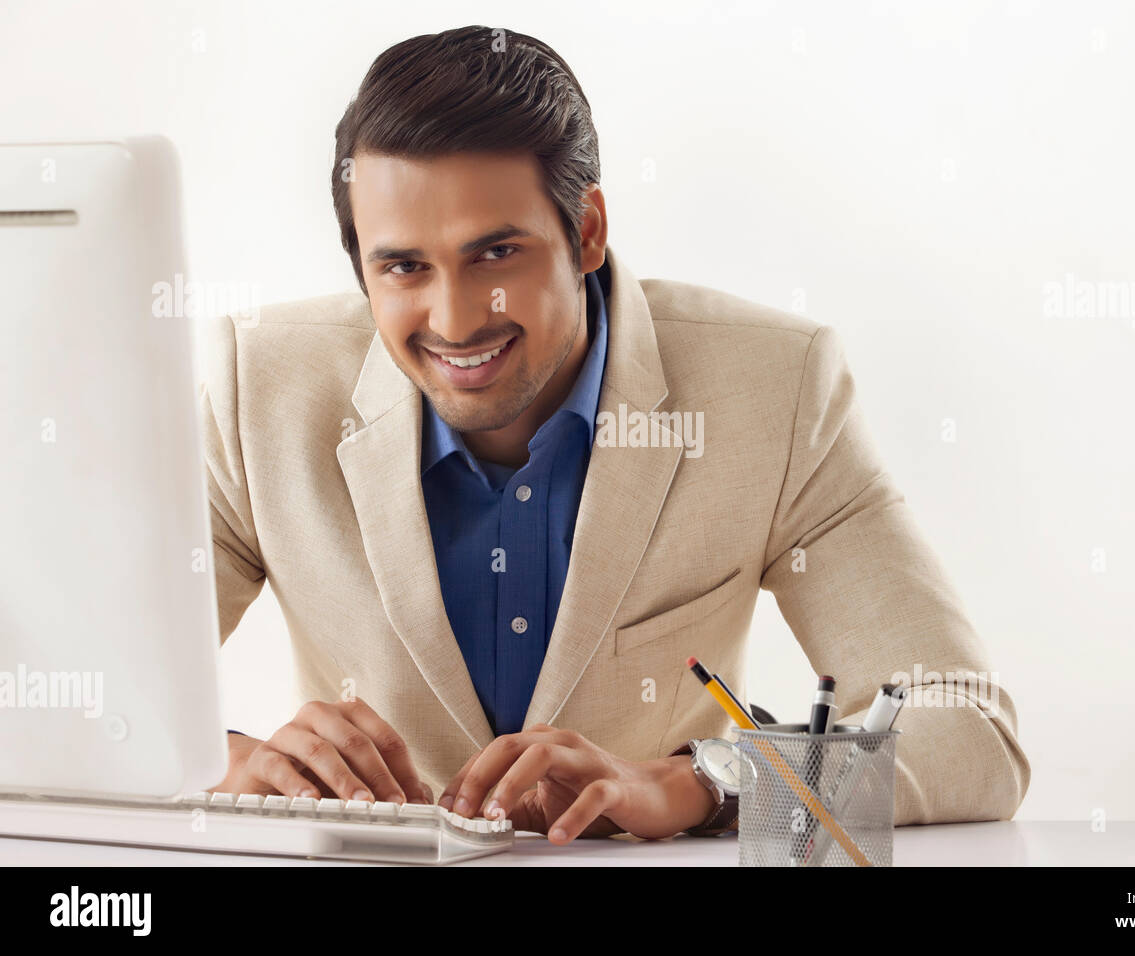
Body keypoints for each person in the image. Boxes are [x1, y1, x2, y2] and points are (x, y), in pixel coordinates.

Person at [208, 26, 1030, 842]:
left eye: (496, 253)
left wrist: (704, 781)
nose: (456, 320)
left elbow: (970, 731)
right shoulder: (260, 390)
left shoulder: (772, 389)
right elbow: (99, 699)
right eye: (404, 267)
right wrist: (233, 762)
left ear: (588, 230)